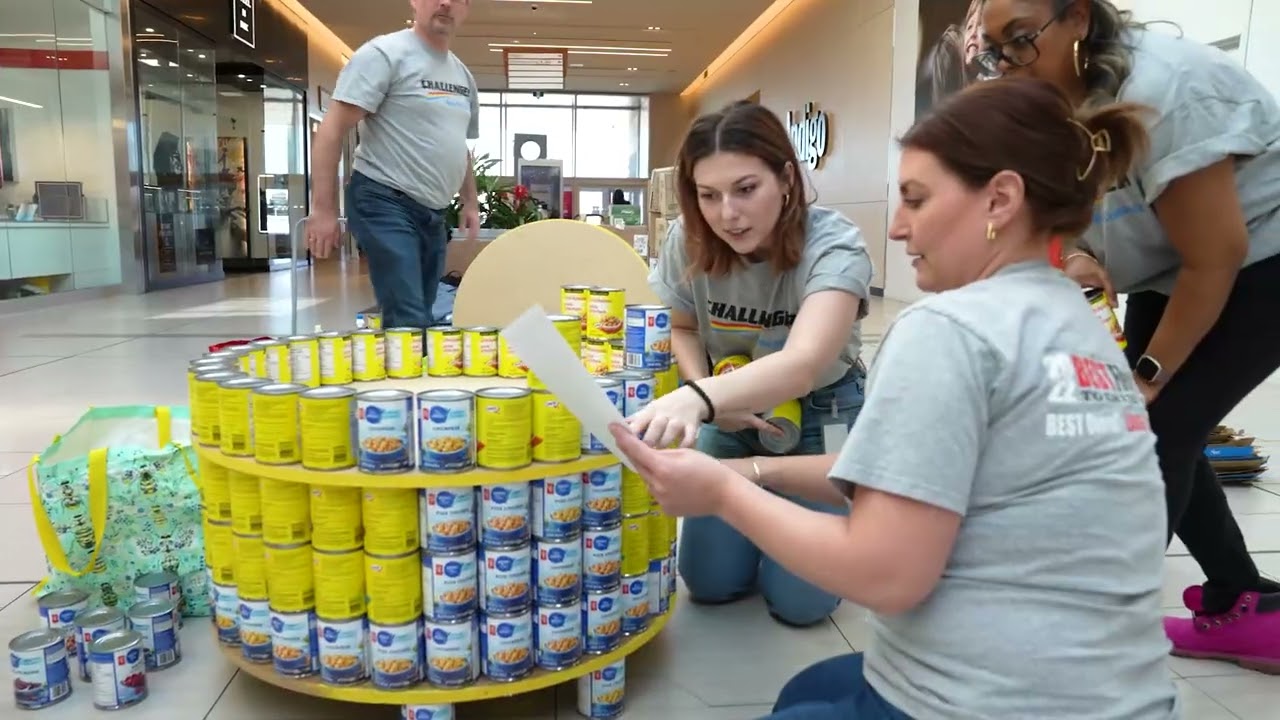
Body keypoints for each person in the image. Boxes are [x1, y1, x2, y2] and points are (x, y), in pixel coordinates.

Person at [610, 76, 1179, 720]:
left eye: (914, 199)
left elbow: (884, 574)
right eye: (708, 196)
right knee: (803, 684)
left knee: (801, 635)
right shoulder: (1087, 324)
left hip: (987, 700)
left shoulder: (947, 330)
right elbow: (908, 481)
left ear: (1000, 200)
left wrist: (717, 486)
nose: (900, 229)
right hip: (1122, 698)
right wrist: (740, 470)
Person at [978, 0, 1280, 671]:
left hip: (1261, 263)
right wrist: (1084, 254)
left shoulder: (1166, 90)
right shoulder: (1051, 91)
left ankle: (1095, 648)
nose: (1006, 63)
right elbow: (1089, 210)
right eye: (993, 48)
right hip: (1176, 267)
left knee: (1151, 429)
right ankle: (1248, 602)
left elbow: (1217, 255)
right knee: (1158, 428)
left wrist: (1147, 373)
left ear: (1078, 16)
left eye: (1020, 40)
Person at [629, 101, 874, 627]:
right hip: (729, 406)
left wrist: (693, 400)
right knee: (711, 585)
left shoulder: (834, 243)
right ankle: (775, 520)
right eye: (708, 195)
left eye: (746, 189)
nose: (727, 215)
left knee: (801, 605)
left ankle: (831, 520)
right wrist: (709, 396)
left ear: (786, 178)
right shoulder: (689, 239)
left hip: (821, 409)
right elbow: (682, 326)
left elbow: (804, 363)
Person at [308, 0, 481, 330]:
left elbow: (459, 145)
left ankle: (410, 370)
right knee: (407, 312)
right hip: (383, 200)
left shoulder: (462, 75)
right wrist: (323, 210)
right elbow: (331, 130)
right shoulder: (384, 55)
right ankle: (409, 377)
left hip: (432, 211)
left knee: (423, 309)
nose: (445, 2)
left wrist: (470, 200)